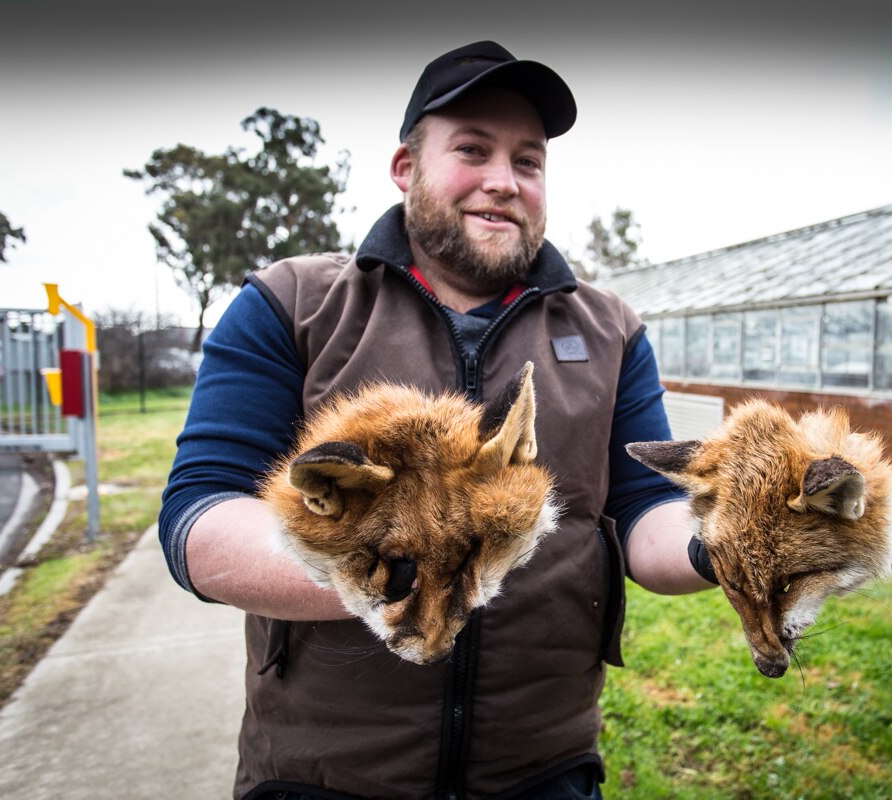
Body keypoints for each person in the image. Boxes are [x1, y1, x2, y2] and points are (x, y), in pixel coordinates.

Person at [159, 40, 716, 800]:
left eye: (528, 160)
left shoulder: (610, 328)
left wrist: (726, 544)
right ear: (405, 167)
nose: (503, 181)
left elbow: (644, 511)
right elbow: (199, 514)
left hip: (542, 770)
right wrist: (398, 574)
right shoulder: (293, 304)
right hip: (325, 775)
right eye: (472, 150)